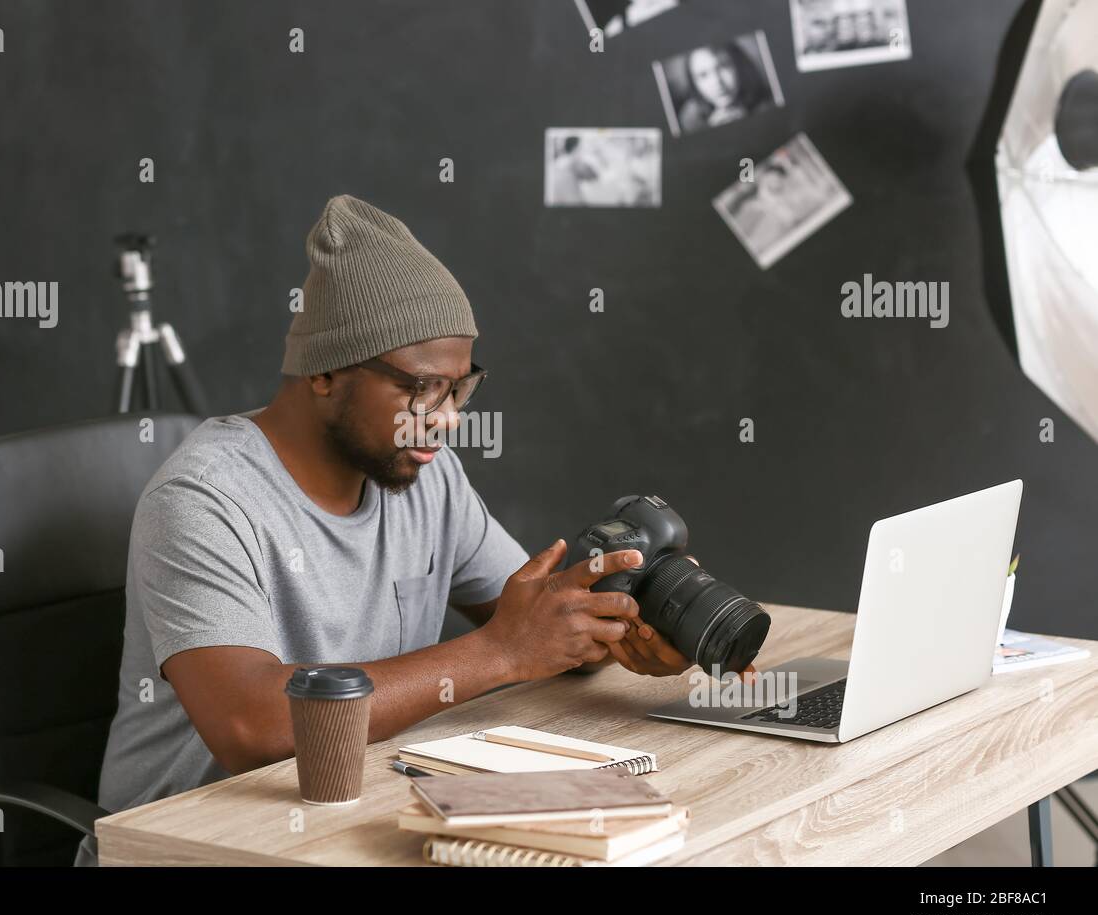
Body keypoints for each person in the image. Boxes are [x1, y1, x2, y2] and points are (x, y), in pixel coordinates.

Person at [75, 195, 725, 865]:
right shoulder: (204, 500)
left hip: (357, 825)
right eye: (422, 388)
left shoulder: (422, 474)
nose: (444, 420)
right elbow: (253, 725)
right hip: (189, 846)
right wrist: (500, 652)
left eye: (458, 390)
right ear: (324, 370)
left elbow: (530, 616)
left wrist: (614, 629)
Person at [677, 42, 769, 132]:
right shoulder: (691, 119)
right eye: (703, 75)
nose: (717, 82)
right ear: (694, 83)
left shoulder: (768, 101)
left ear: (739, 66)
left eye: (723, 66)